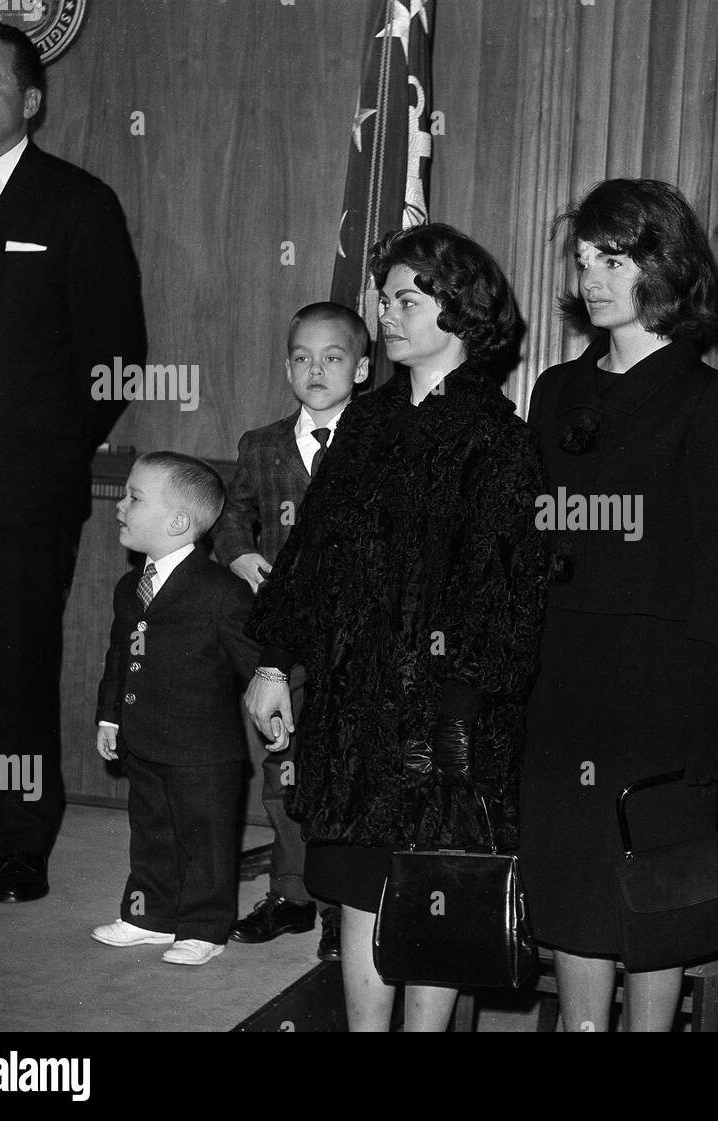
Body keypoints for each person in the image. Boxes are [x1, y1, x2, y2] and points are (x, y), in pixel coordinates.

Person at [243, 223, 546, 1032]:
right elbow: (312, 553)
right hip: (356, 708)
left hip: (447, 722)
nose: (386, 314)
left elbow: (505, 597)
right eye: (385, 299)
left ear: (460, 307)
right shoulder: (366, 422)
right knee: (357, 884)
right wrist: (274, 663)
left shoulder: (498, 438)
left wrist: (456, 728)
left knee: (431, 889)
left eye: (407, 299)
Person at [518, 178, 718, 1032]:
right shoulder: (555, 389)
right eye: (584, 259)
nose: (592, 277)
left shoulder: (715, 402)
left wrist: (705, 728)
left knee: (651, 889)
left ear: (664, 267)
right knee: (574, 884)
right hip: (560, 673)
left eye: (615, 260)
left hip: (660, 685)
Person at [0, 21, 146, 900]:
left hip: (25, 489)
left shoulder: (78, 203)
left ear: (30, 99)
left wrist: (54, 450)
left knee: (20, 668)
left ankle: (22, 846)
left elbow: (118, 355)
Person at [217, 302, 372, 962]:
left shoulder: (379, 443)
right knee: (283, 764)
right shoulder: (262, 445)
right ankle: (292, 892)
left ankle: (343, 905)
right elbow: (231, 516)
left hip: (355, 639)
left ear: (361, 369)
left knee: (345, 769)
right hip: (282, 638)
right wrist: (238, 552)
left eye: (333, 358)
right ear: (286, 369)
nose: (316, 370)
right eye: (303, 358)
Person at [91, 453, 258, 966]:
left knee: (204, 841)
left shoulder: (222, 592)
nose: (120, 506)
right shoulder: (130, 587)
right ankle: (150, 916)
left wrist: (273, 699)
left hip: (204, 752)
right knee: (151, 833)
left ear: (178, 522)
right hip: (144, 740)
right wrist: (110, 716)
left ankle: (204, 927)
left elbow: (256, 662)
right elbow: (120, 658)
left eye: (135, 498)